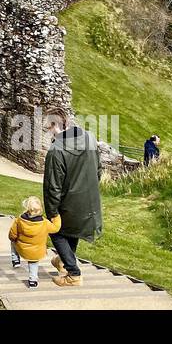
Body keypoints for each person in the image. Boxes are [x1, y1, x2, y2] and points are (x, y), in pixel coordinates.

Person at [43, 108, 104, 288]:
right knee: (71, 229)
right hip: (90, 200)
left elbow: (52, 187)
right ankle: (63, 261)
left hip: (69, 202)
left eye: (48, 128)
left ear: (55, 125)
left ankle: (73, 274)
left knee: (55, 230)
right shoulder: (89, 138)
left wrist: (52, 212)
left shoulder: (56, 150)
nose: (48, 132)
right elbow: (98, 170)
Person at [8, 196, 62, 289]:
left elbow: (13, 233)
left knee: (13, 242)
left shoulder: (20, 220)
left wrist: (12, 238)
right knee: (33, 264)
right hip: (36, 251)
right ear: (41, 209)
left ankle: (15, 260)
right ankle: (32, 281)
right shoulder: (44, 223)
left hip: (22, 248)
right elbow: (55, 228)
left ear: (27, 208)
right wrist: (56, 217)